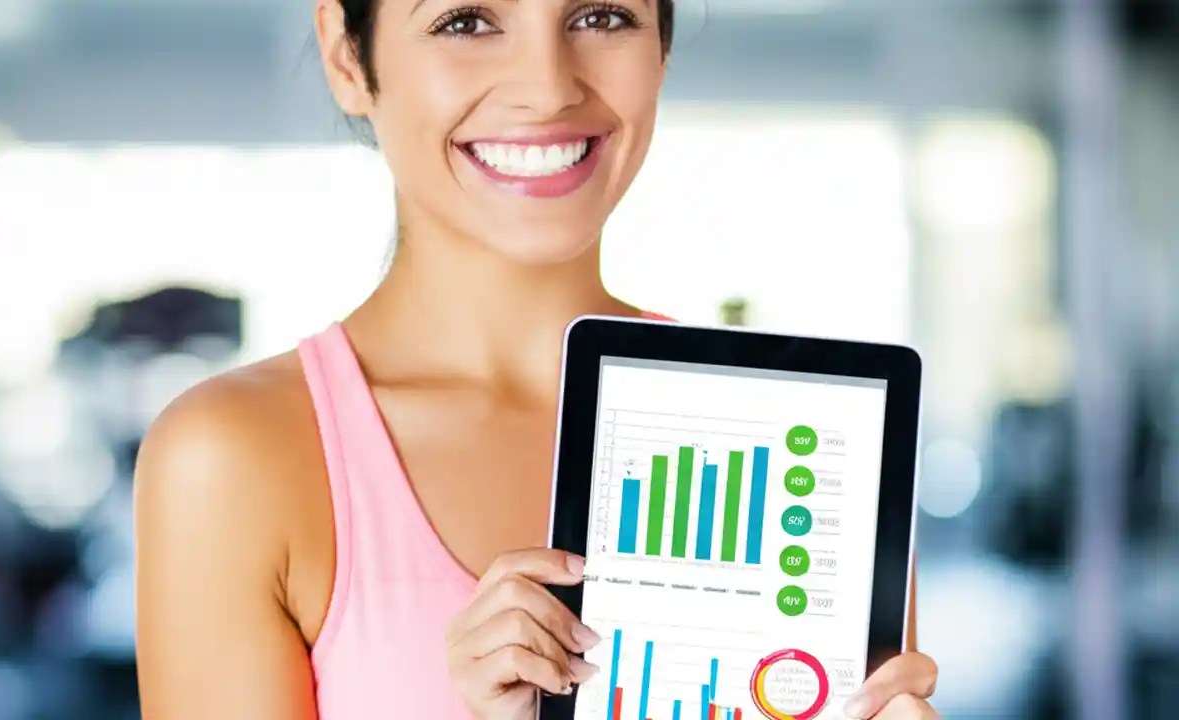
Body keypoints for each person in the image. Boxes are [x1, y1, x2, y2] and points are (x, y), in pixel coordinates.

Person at [133, 0, 940, 717]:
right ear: (350, 57)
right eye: (465, 21)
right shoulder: (233, 456)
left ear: (661, 45)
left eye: (601, 17)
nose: (549, 86)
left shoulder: (820, 441)